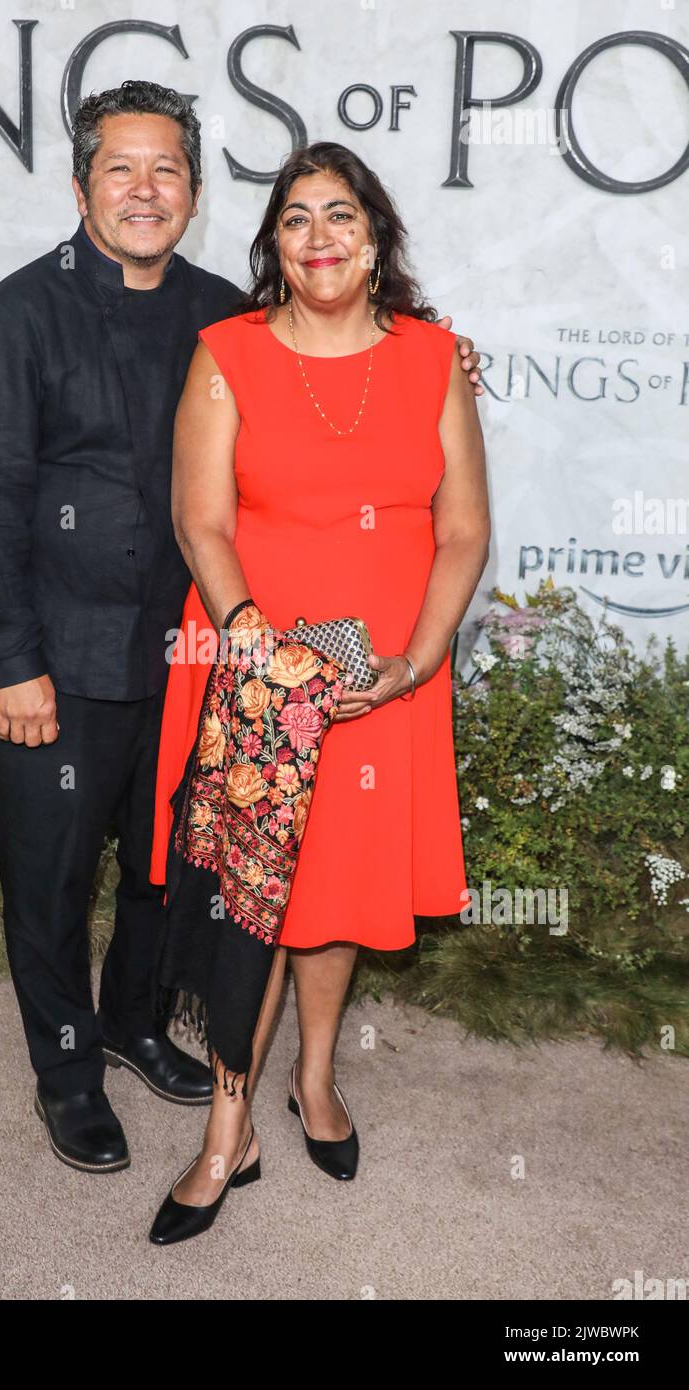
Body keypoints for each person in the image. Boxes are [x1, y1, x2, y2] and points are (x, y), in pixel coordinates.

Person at [0, 81, 485, 1177]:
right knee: (48, 880)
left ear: (192, 189)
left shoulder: (217, 314)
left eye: (167, 171)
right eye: (120, 170)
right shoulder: (15, 317)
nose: (145, 191)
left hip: (191, 662)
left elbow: (337, 358)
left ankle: (136, 1022)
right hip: (60, 663)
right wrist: (9, 659)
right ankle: (66, 1073)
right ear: (82, 181)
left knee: (164, 868)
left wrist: (445, 359)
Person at [147, 141, 490, 1242]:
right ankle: (227, 1126)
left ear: (375, 235)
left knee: (334, 883)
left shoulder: (435, 358)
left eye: (340, 215)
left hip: (386, 675)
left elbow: (463, 528)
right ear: (274, 244)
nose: (319, 237)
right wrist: (255, 646)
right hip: (252, 666)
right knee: (247, 891)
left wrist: (419, 658)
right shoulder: (226, 352)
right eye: (295, 219)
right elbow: (199, 518)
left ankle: (317, 1079)